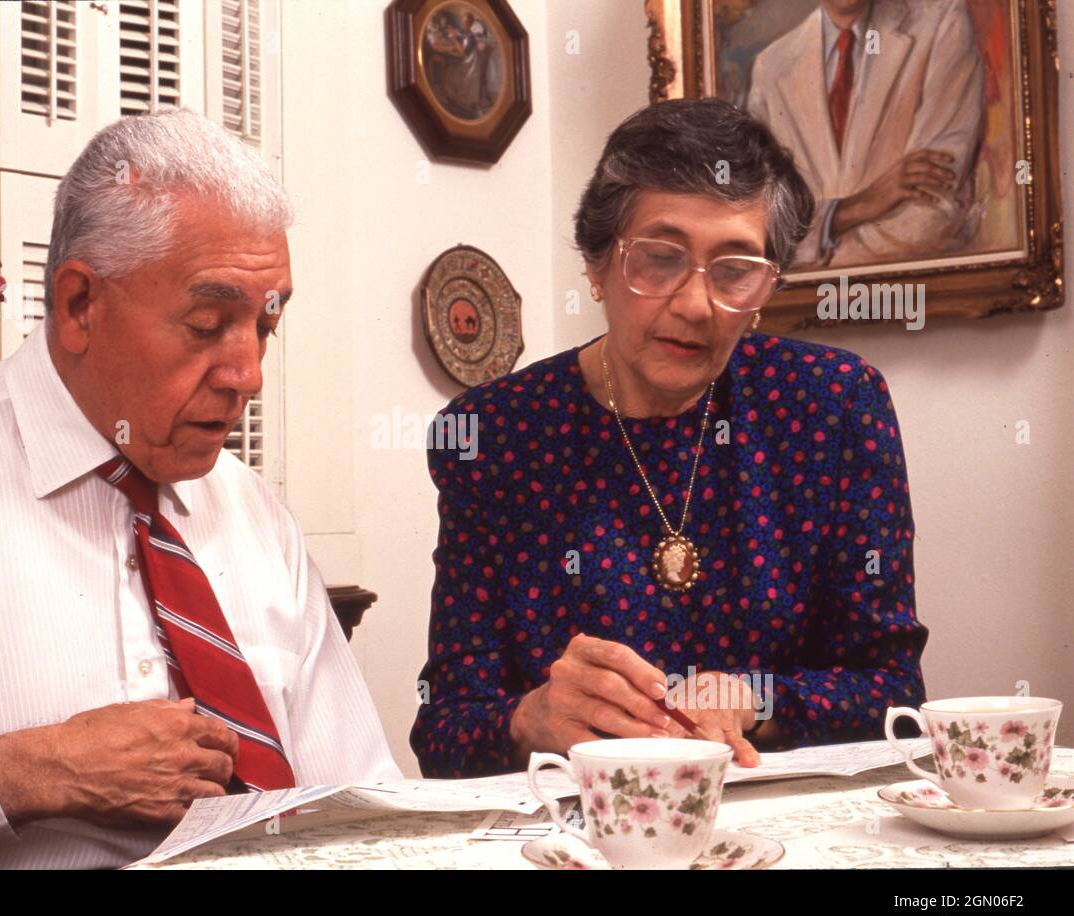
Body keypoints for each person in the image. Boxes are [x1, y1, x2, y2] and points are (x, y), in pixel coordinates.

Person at [0, 108, 399, 869]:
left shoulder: (256, 516)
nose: (248, 377)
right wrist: (22, 773)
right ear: (79, 305)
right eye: (207, 324)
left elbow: (363, 807)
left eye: (264, 326)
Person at [411, 97, 929, 778]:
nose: (694, 303)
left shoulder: (834, 408)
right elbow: (444, 728)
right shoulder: (492, 436)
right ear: (597, 267)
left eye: (735, 269)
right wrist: (529, 718)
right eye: (659, 259)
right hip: (575, 834)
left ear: (767, 287)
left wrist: (757, 698)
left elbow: (895, 694)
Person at [746, 0, 984, 268]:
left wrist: (818, 247)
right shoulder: (771, 66)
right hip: (810, 303)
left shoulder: (942, 24)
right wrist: (857, 208)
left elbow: (932, 215)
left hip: (916, 294)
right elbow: (763, 227)